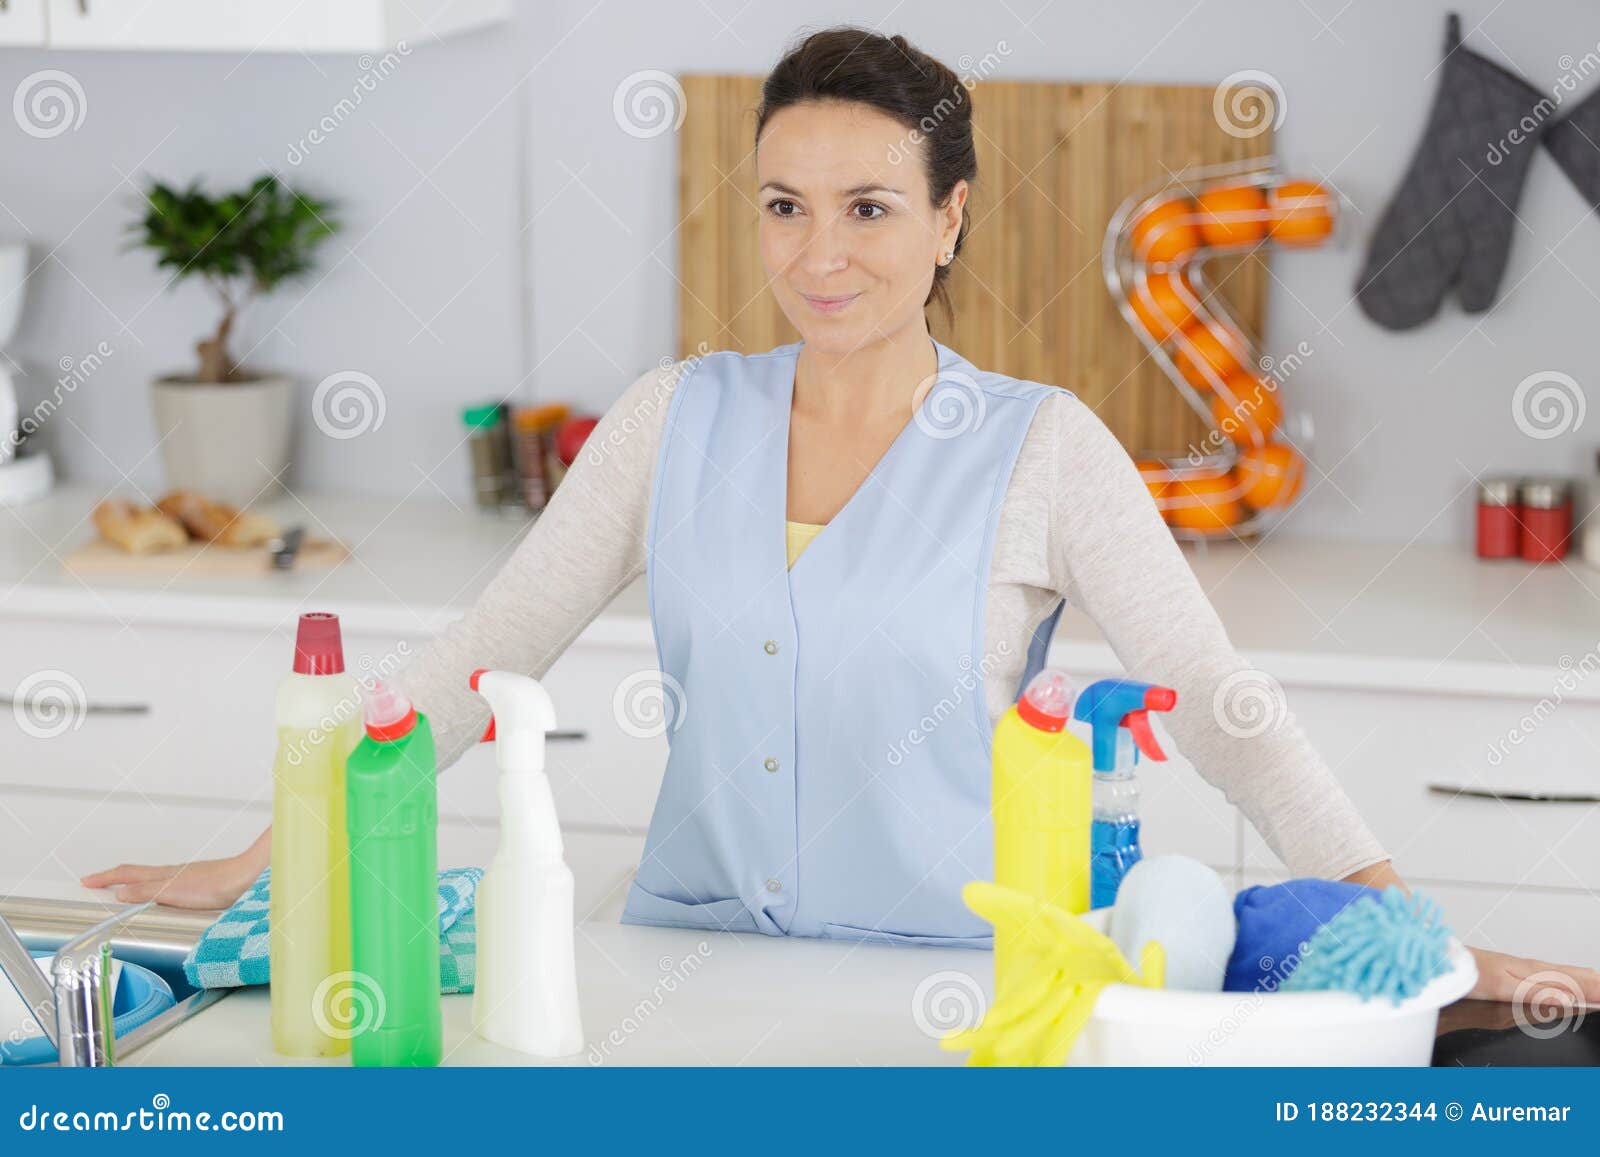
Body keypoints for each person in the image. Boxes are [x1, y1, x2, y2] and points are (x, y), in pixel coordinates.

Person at [85, 27, 1598, 1004]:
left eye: (870, 206)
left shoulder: (1044, 449)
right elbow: (482, 659)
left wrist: (1427, 944)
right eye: (783, 204)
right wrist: (271, 846)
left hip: (955, 1000)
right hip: (680, 972)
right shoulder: (676, 415)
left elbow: (1229, 714)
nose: (820, 253)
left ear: (947, 223)